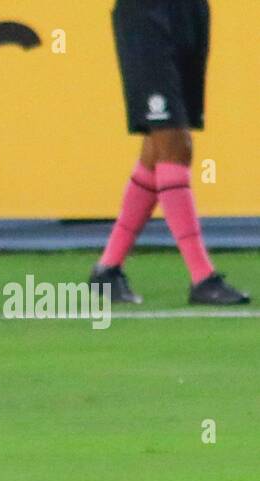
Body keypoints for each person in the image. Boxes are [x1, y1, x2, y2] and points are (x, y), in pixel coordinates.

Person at [90, 0, 249, 305]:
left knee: (156, 150)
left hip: (189, 12)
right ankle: (202, 277)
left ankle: (107, 270)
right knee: (175, 144)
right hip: (146, 16)